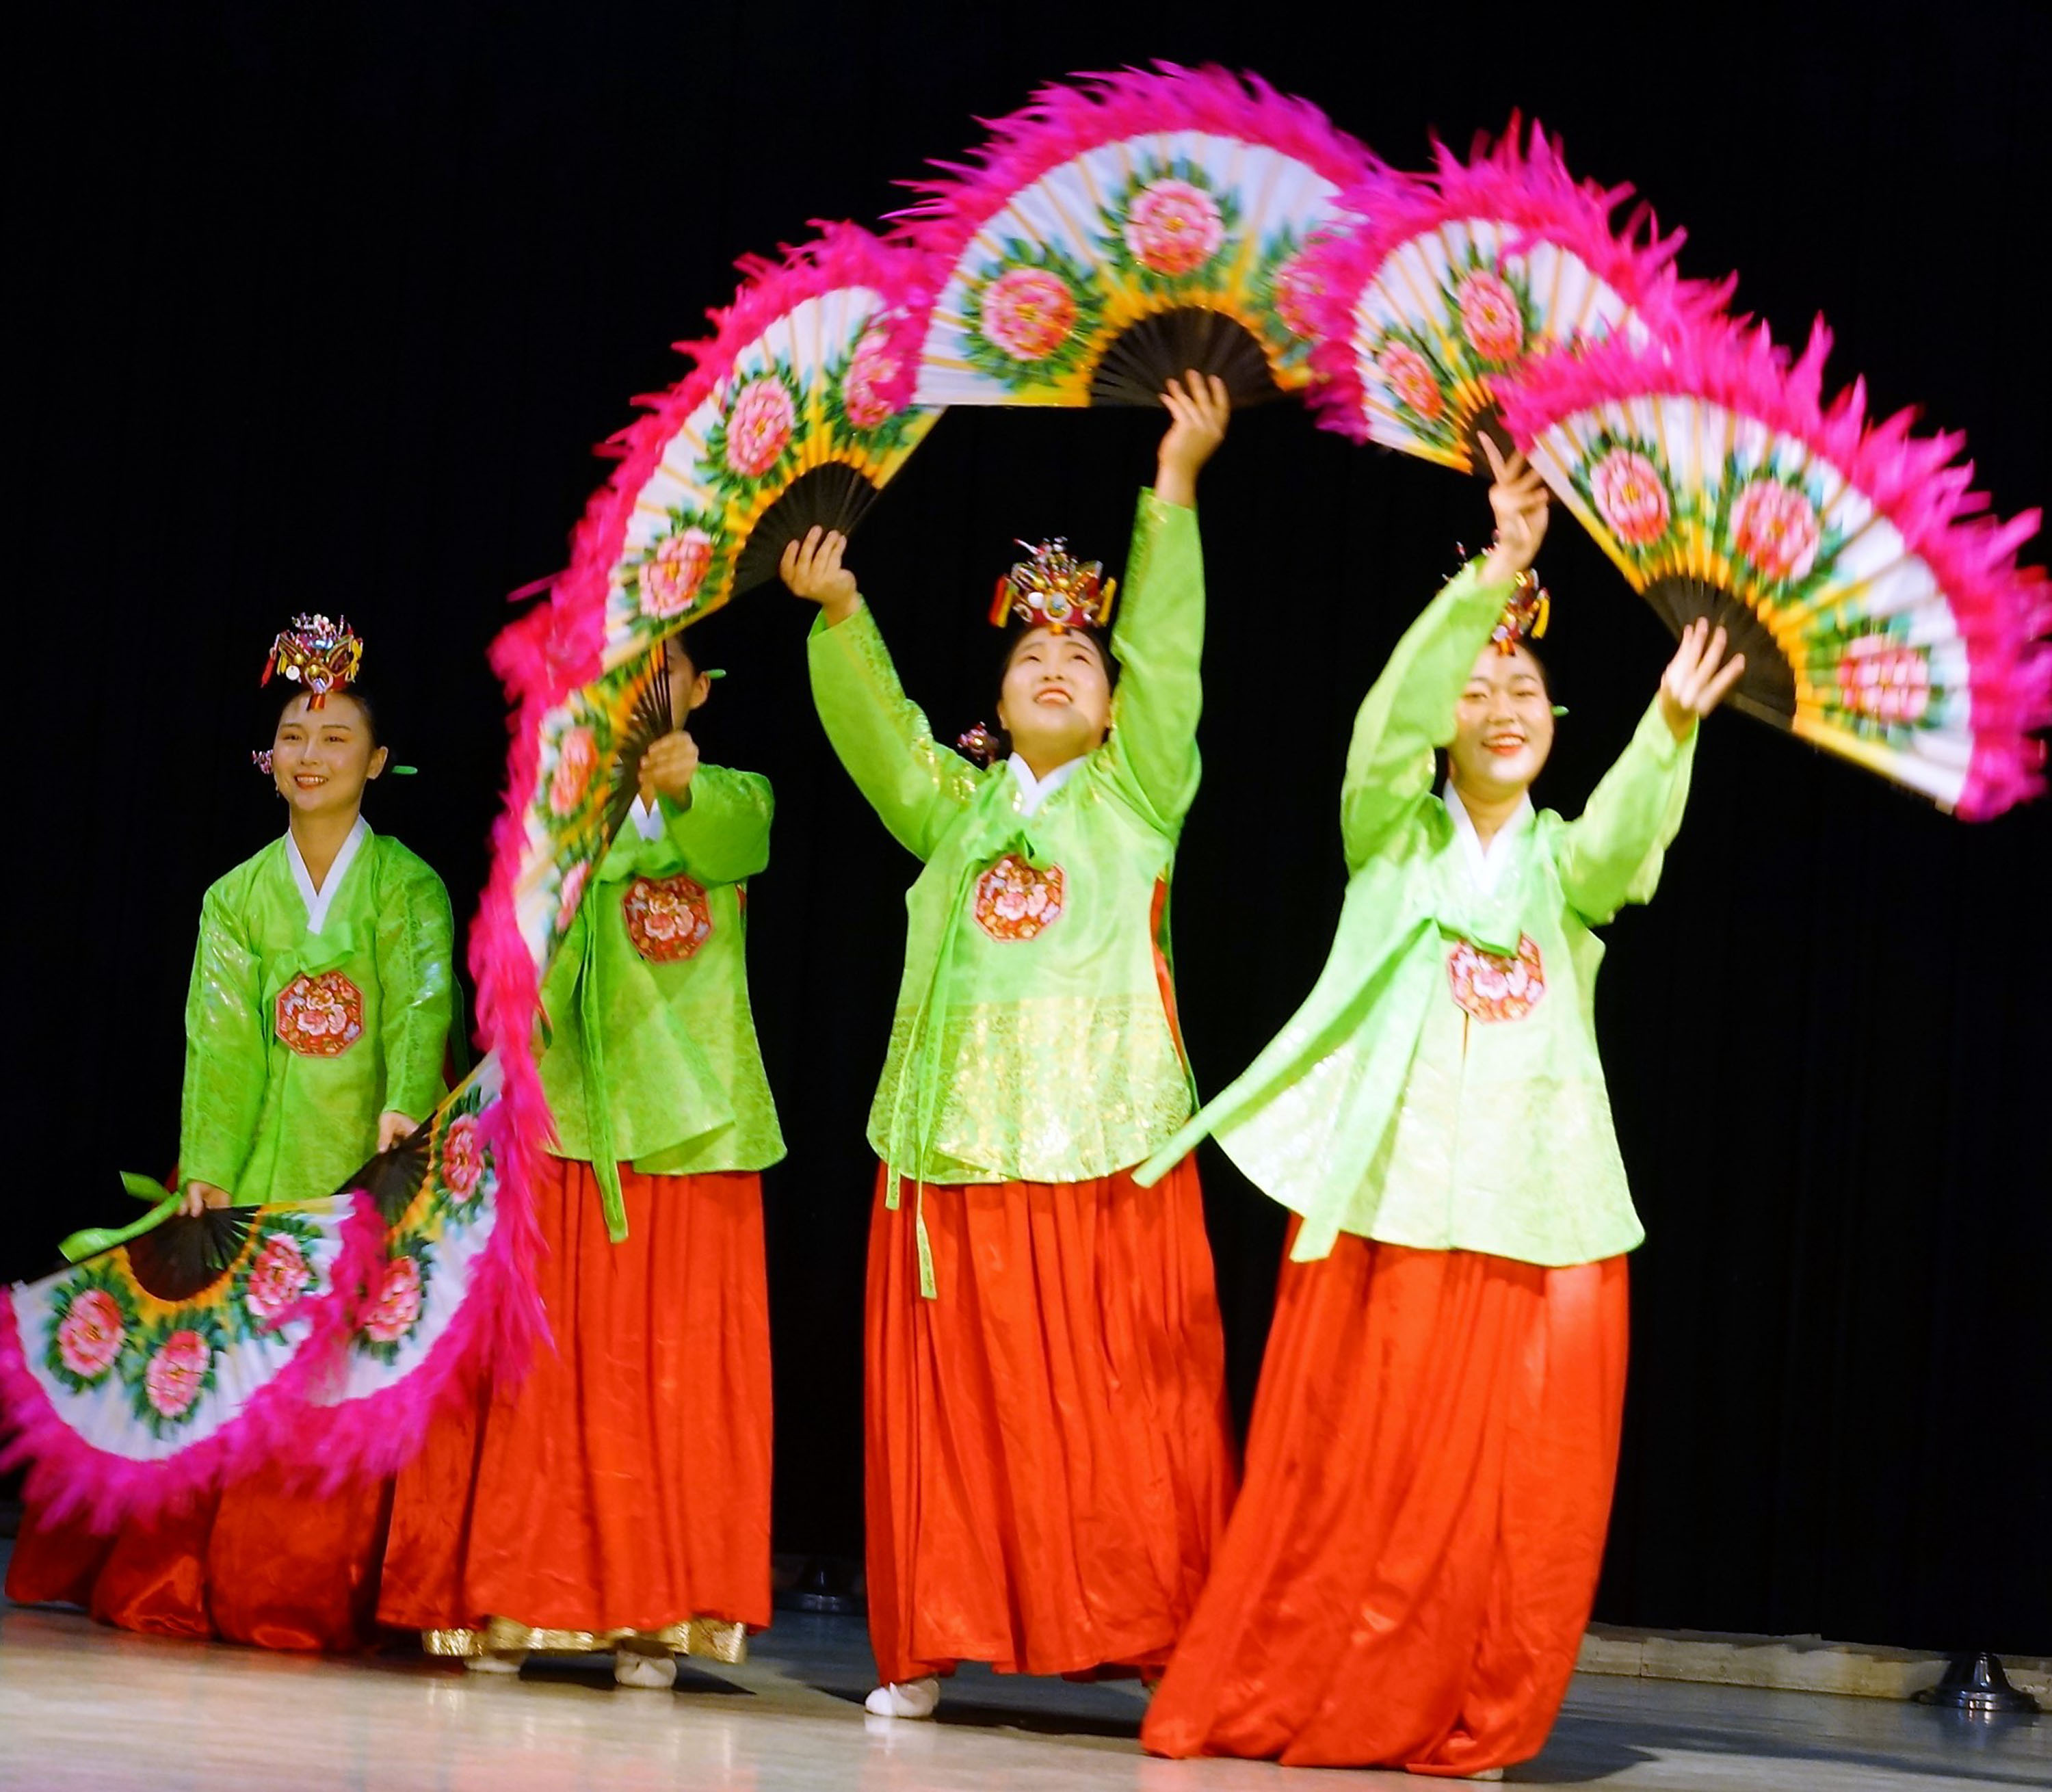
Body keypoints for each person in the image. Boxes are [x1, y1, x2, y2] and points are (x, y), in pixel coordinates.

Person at [1137, 440, 1745, 1776]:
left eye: (1523, 680)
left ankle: (1478, 1700)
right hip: (1392, 1208)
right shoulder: (1389, 839)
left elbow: (1620, 848)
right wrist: (1500, 574)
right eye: (1478, 686)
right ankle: (1329, 1686)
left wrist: (1673, 726)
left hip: (1537, 1214)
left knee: (1520, 1494)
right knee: (1358, 1476)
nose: (1500, 698)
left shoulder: (1557, 869)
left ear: (1554, 720)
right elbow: (1383, 727)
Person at [779, 373, 1239, 1718]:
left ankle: (1160, 1640)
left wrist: (1173, 492)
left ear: (1110, 705)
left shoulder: (1141, 795)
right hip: (953, 1152)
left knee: (1125, 1412)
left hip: (1107, 1147)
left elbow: (1175, 655)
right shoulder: (959, 810)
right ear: (997, 689)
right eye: (1030, 654)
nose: (1054, 665)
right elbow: (878, 740)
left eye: (1081, 659)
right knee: (957, 1418)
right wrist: (846, 616)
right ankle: (928, 1638)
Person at [6, 616, 455, 1649]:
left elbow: (421, 1002)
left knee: (337, 1391)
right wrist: (207, 1167)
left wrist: (405, 1100)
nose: (312, 756)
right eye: (295, 736)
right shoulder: (235, 899)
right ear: (268, 759)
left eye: (337, 738)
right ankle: (198, 1582)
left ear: (378, 762)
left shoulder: (408, 887)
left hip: (366, 1168)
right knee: (236, 1380)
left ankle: (314, 1590)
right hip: (256, 1164)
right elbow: (218, 1043)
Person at [379, 629, 780, 1689]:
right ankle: (522, 1598)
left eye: (671, 667)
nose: (650, 688)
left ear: (700, 686)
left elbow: (737, 839)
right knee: (547, 1377)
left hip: (699, 1128)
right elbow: (510, 977)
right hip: (567, 1125)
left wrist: (681, 792)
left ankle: (661, 1614)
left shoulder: (734, 797)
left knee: (676, 1380)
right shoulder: (552, 823)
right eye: (626, 670)